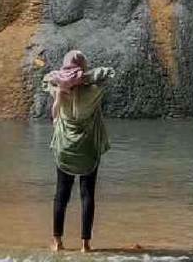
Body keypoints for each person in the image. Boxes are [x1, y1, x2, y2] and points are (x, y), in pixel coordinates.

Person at [43, 50, 115, 253]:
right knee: (87, 194)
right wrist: (83, 76)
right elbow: (108, 73)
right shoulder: (93, 91)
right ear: (83, 67)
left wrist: (64, 80)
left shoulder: (57, 87)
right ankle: (85, 244)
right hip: (88, 148)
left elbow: (46, 78)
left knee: (61, 194)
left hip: (64, 147)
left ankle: (57, 242)